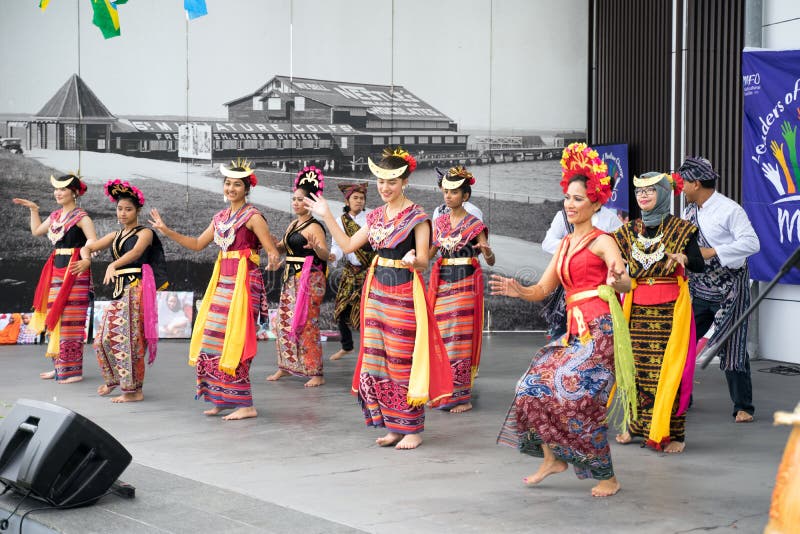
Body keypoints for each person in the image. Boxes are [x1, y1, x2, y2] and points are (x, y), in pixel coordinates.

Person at [491, 142, 634, 498]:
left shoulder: (603, 242)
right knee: (529, 388)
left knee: (579, 398)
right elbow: (542, 289)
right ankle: (552, 458)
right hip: (573, 333)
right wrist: (517, 290)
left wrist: (618, 281)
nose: (570, 204)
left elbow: (626, 280)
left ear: (596, 203)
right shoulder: (566, 244)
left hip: (600, 334)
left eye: (578, 199)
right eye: (567, 198)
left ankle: (608, 476)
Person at [304, 146, 453, 450]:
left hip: (403, 292)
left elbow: (424, 259)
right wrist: (328, 214)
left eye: (392, 182)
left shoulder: (419, 218)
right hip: (376, 293)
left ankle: (411, 428)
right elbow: (346, 245)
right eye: (381, 182)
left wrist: (415, 261)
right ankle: (391, 425)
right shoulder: (373, 217)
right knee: (376, 359)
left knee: (401, 358)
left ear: (405, 182)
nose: (385, 188)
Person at [149, 158, 280, 420]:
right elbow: (198, 243)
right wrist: (166, 230)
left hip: (245, 284)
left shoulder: (253, 217)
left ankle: (245, 404)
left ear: (246, 189)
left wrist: (273, 261)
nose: (231, 188)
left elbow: (272, 251)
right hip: (222, 283)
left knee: (236, 341)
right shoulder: (220, 217)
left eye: (237, 185)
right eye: (228, 183)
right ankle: (220, 397)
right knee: (211, 337)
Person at [612, 171, 704, 453]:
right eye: (640, 192)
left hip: (669, 312)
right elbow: (612, 261)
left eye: (650, 191)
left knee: (670, 370)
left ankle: (675, 434)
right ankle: (635, 427)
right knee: (635, 369)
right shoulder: (628, 232)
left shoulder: (681, 229)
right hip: (637, 311)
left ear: (663, 194)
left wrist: (684, 257)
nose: (643, 196)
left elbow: (699, 265)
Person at [680, 156, 760, 423]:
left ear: (697, 183)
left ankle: (743, 406)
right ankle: (682, 398)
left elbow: (752, 243)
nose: (681, 187)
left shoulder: (730, 209)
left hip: (731, 288)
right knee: (685, 342)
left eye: (684, 182)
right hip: (700, 288)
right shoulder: (689, 211)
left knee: (733, 344)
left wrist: (714, 250)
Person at [76, 180, 167, 403]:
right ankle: (115, 381)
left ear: (137, 210)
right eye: (120, 209)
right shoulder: (115, 236)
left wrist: (113, 265)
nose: (123, 213)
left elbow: (136, 253)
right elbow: (86, 247)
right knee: (102, 340)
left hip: (136, 290)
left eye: (128, 209)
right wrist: (86, 260)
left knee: (129, 341)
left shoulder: (145, 233)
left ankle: (134, 390)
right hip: (120, 292)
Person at [12, 174, 96, 383]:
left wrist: (86, 259)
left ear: (74, 193)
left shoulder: (82, 217)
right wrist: (34, 210)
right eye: (56, 189)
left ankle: (72, 371)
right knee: (55, 317)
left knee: (70, 320)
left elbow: (93, 241)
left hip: (75, 270)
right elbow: (36, 231)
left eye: (63, 189)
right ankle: (59, 366)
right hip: (56, 269)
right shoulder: (55, 215)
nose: (58, 193)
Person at [428, 166, 494, 413]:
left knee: (459, 339)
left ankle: (461, 397)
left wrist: (487, 251)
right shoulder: (440, 222)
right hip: (443, 284)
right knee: (441, 338)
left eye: (454, 192)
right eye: (446, 191)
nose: (448, 196)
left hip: (466, 285)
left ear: (465, 196)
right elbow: (431, 253)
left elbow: (491, 260)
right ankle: (443, 390)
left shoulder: (475, 225)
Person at [267, 166, 329, 387]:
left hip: (309, 280)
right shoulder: (295, 224)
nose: (295, 203)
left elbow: (326, 254)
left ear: (310, 202)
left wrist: (316, 248)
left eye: (300, 199)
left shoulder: (315, 226)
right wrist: (277, 245)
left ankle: (316, 372)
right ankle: (287, 366)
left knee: (306, 323)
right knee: (283, 322)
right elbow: (285, 247)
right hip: (291, 279)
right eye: (293, 199)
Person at [540, 194, 623, 341]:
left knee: (598, 341)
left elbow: (622, 247)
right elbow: (548, 243)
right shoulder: (564, 216)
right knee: (561, 338)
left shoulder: (609, 218)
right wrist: (576, 248)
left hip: (597, 292)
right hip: (568, 285)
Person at [327, 181, 375, 361]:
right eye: (355, 198)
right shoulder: (340, 221)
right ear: (347, 201)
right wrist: (333, 255)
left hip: (369, 272)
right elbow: (337, 245)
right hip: (350, 272)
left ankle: (368, 350)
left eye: (362, 198)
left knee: (367, 312)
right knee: (341, 309)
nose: (359, 201)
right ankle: (346, 347)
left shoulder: (371, 218)